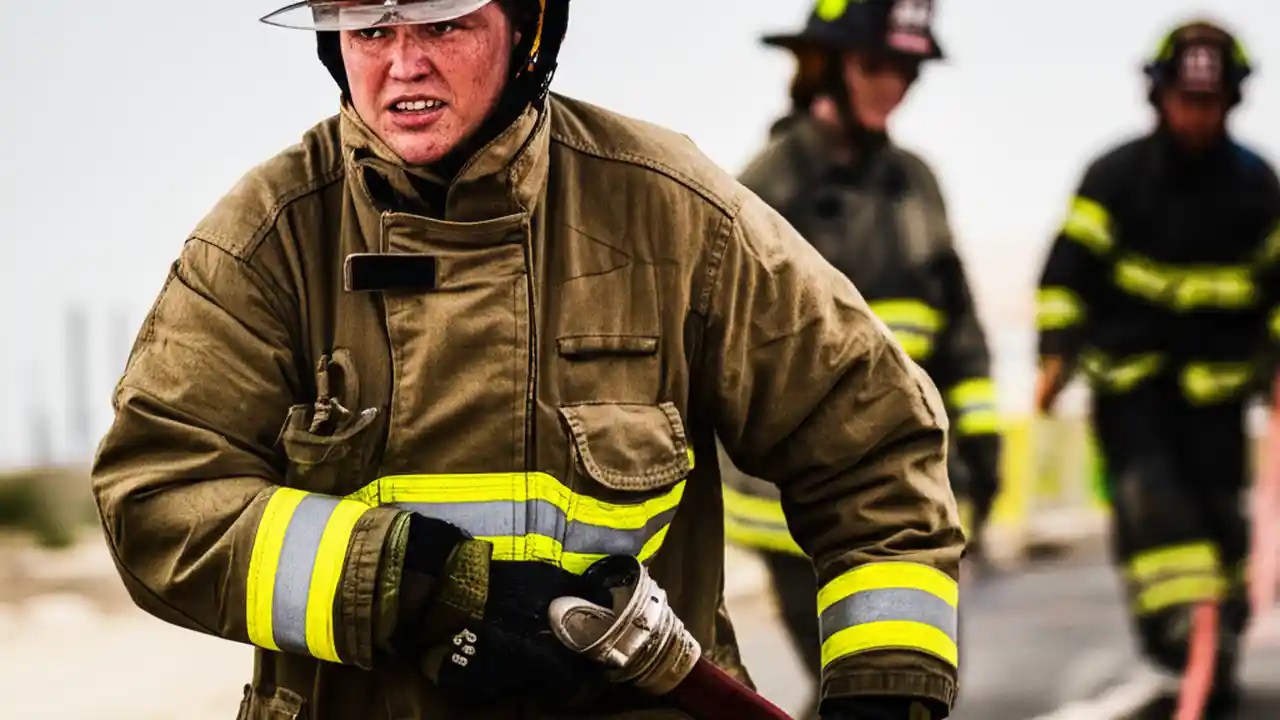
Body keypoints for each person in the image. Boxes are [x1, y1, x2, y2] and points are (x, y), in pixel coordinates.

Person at [89, 1, 964, 719]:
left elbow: (873, 443)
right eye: (369, 28)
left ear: (528, 26)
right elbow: (159, 497)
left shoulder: (676, 216)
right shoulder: (269, 239)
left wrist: (885, 688)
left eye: (443, 24)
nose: (403, 64)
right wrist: (408, 583)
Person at [720, 1, 1000, 714]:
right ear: (826, 66)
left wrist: (981, 438)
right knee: (857, 687)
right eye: (876, 66)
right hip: (797, 501)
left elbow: (958, 324)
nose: (893, 86)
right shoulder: (768, 185)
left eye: (906, 70)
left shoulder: (917, 183)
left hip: (905, 486)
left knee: (909, 686)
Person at [1035, 19, 1280, 714]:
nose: (1197, 115)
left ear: (1230, 101)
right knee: (1159, 523)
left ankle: (1214, 641)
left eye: (1210, 102)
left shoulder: (1257, 186)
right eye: (1185, 100)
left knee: (1224, 530)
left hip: (1218, 400)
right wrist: (1056, 353)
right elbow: (1065, 274)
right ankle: (1183, 635)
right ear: (1159, 96)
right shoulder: (1115, 178)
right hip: (1132, 390)